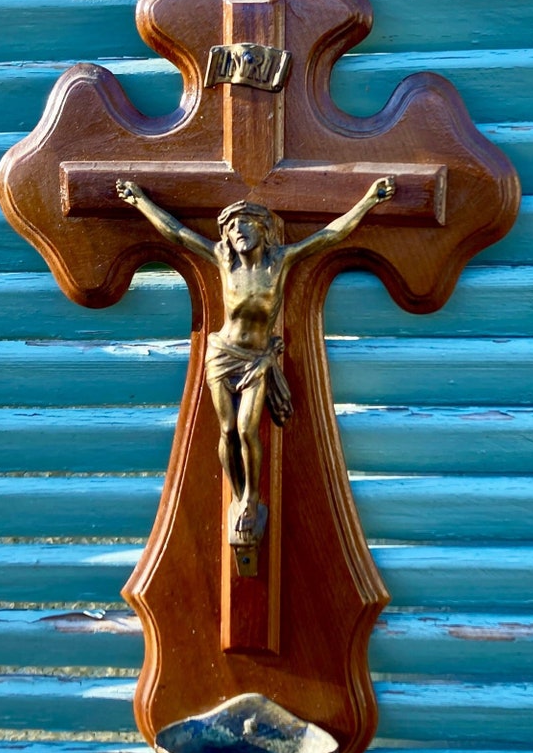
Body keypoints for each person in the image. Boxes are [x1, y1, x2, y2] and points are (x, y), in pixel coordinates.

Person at [116, 175, 396, 545]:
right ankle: (238, 495)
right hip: (222, 355)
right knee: (228, 431)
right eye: (230, 228)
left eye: (244, 224)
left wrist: (369, 200)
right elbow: (179, 234)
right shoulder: (222, 259)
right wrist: (139, 201)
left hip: (256, 358)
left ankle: (251, 497)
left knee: (248, 430)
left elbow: (330, 235)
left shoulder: (279, 261)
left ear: (262, 230)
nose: (237, 232)